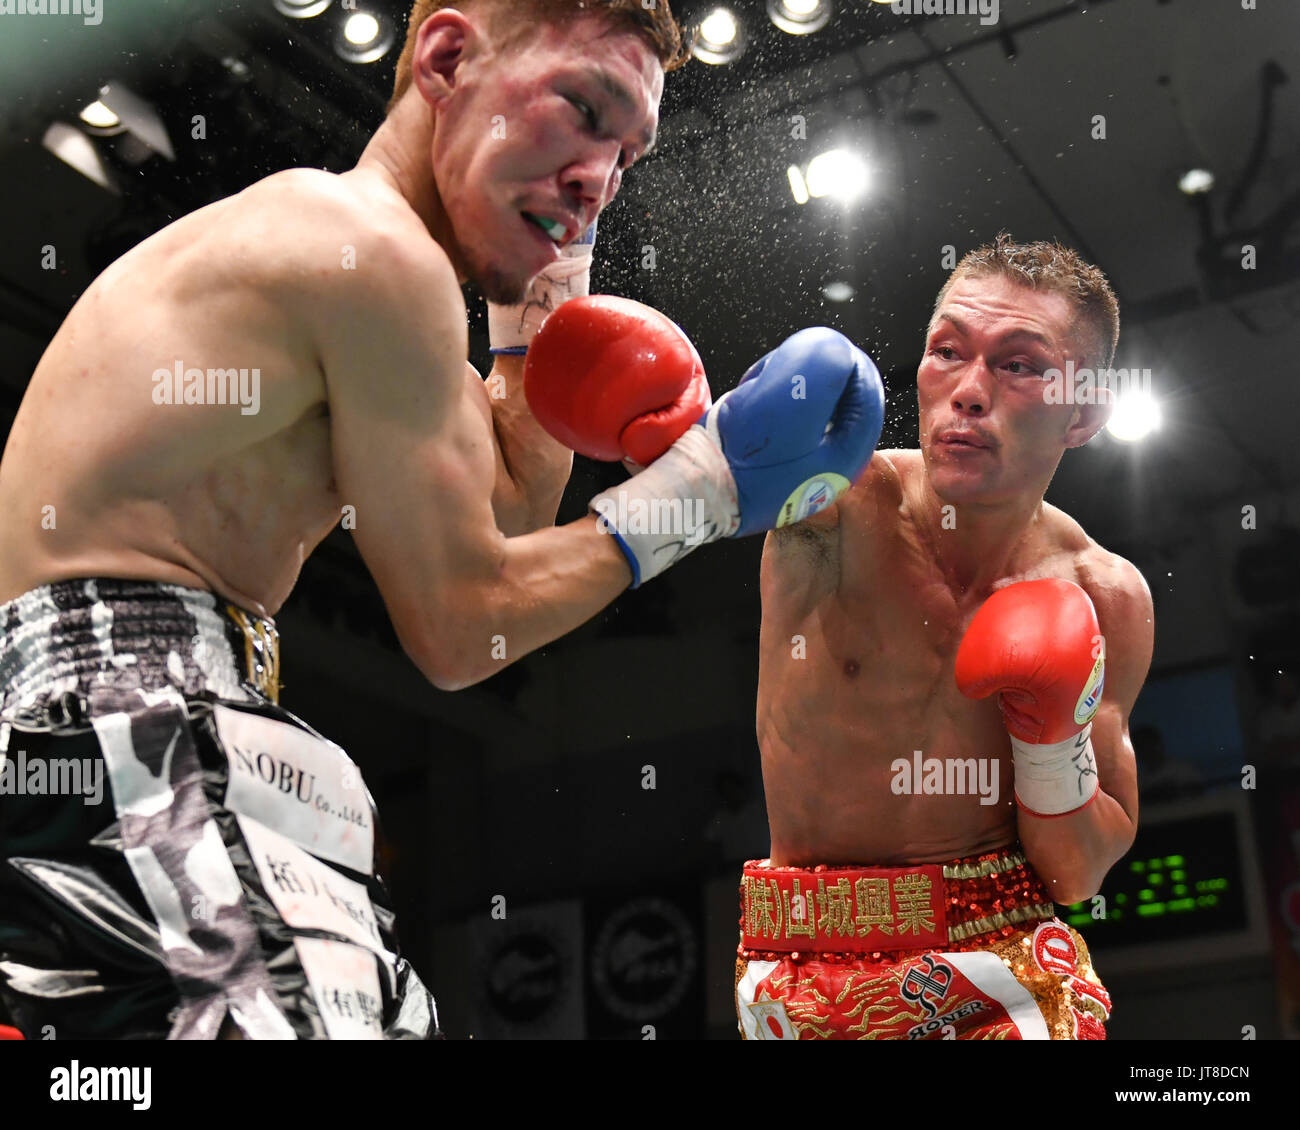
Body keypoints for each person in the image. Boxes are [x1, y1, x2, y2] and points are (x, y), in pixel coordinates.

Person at [0, 0, 886, 1040]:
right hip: (124, 707)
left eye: (626, 154)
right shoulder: (368, 252)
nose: (599, 175)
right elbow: (465, 625)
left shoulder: (358, 264)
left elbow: (503, 523)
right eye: (582, 108)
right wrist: (709, 489)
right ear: (447, 57)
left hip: (110, 717)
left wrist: (548, 298)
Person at [736, 235, 1155, 1040]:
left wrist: (1051, 744)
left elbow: (1077, 871)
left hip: (1004, 957)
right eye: (947, 352)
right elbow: (707, 480)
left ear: (1085, 412)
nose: (967, 391)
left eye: (1018, 364)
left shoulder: (1103, 594)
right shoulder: (838, 501)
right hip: (799, 958)